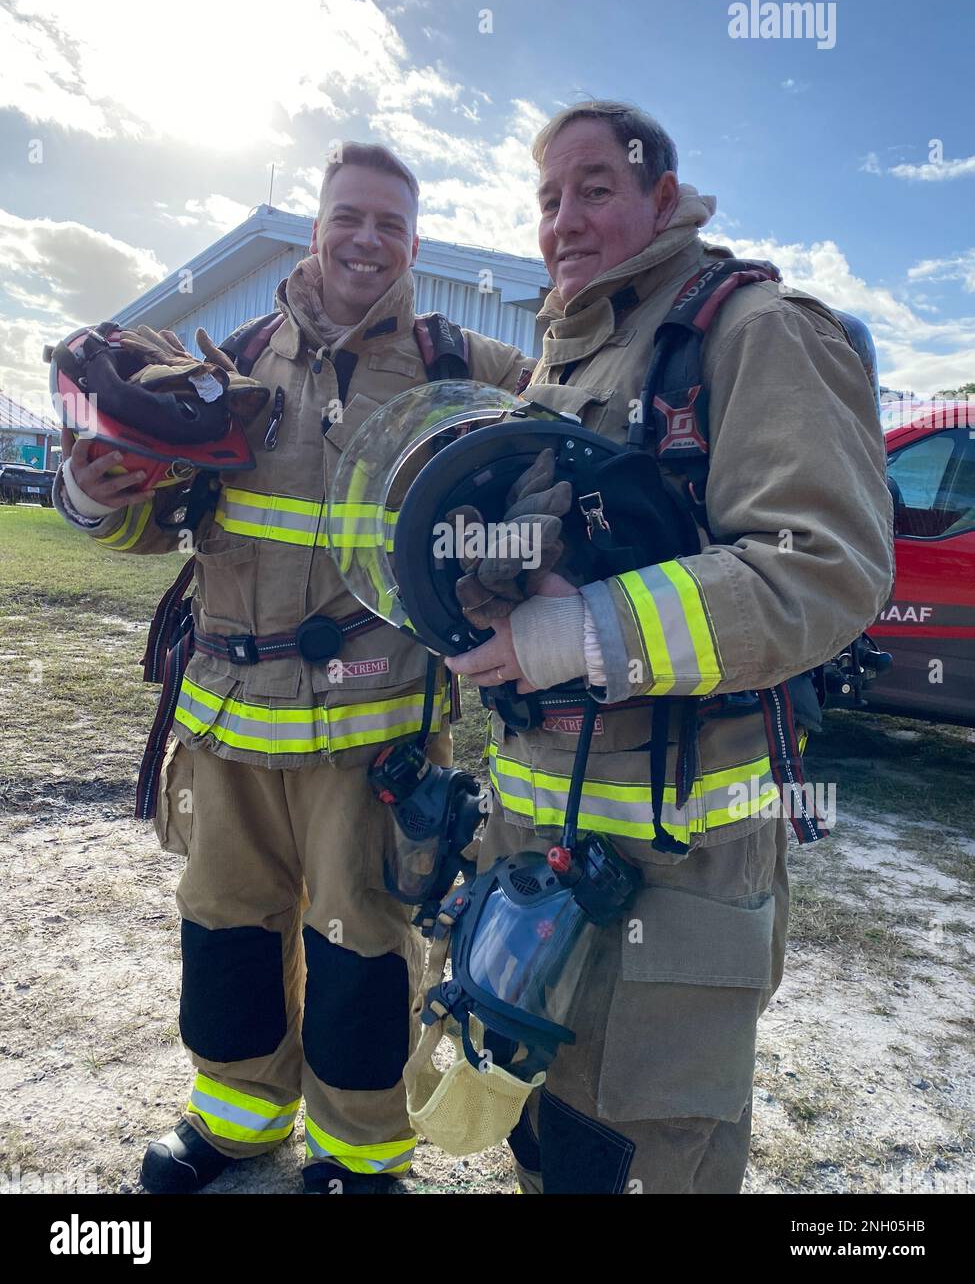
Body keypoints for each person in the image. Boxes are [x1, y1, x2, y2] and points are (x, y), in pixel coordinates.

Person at [54, 143, 527, 1195]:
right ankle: (233, 1126)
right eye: (348, 217)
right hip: (228, 721)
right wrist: (92, 490)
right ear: (317, 227)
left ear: (414, 240)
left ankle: (361, 1157)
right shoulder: (226, 365)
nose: (368, 240)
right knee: (223, 923)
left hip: (378, 731)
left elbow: (573, 429)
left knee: (363, 940)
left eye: (391, 225)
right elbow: (148, 517)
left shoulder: (467, 365)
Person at [444, 101, 894, 1194]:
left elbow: (821, 569)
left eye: (595, 187)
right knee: (543, 1129)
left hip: (678, 856)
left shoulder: (754, 329)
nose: (565, 218)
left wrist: (571, 632)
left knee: (651, 1155)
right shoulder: (564, 356)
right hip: (536, 831)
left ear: (662, 194)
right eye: (549, 197)